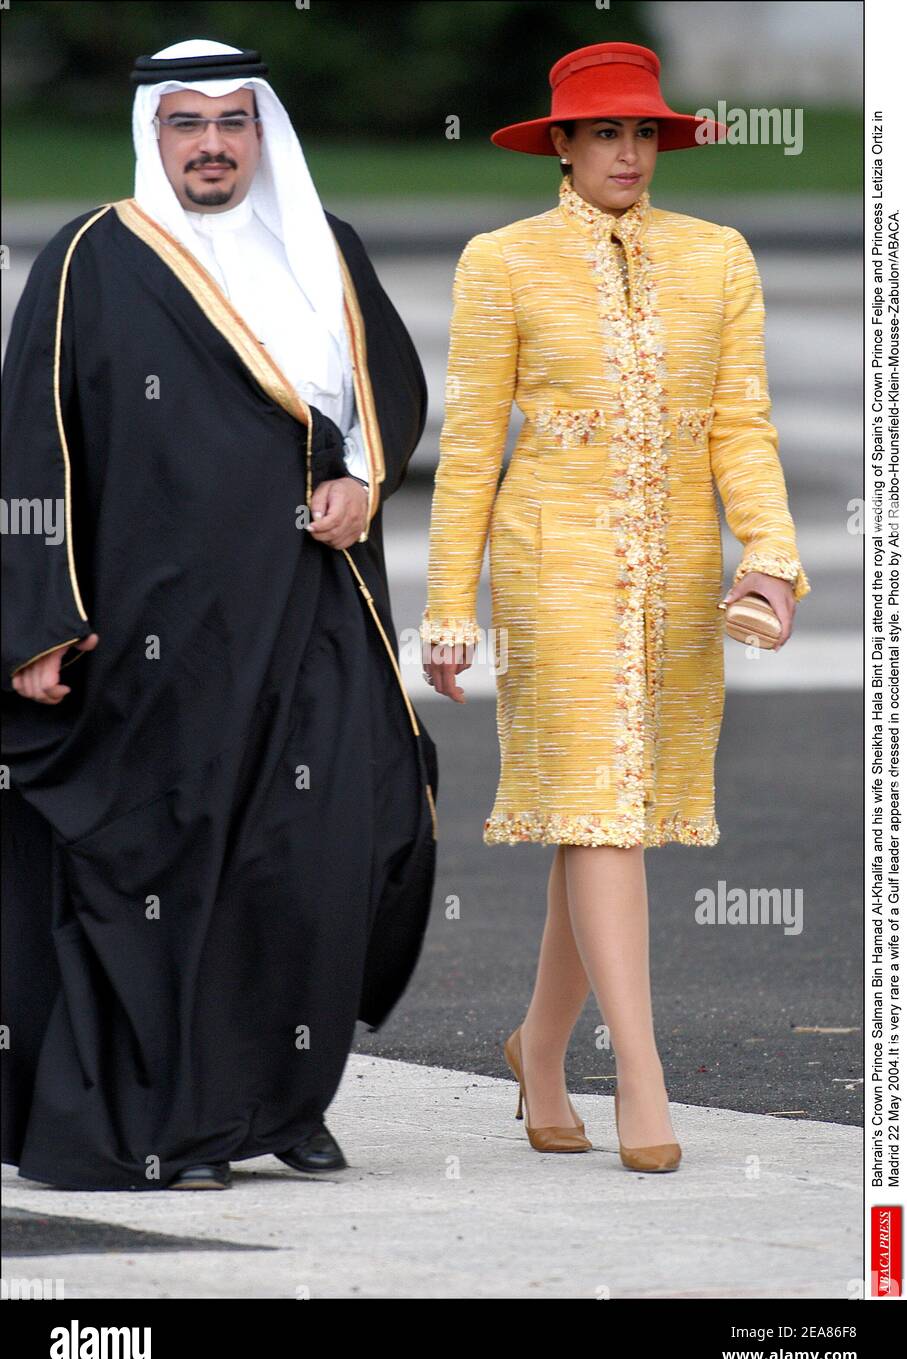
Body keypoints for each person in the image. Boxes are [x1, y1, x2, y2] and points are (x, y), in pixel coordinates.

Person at [1, 39, 438, 1191]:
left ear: (262, 134)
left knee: (325, 852)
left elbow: (386, 384)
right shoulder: (95, 257)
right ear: (154, 136)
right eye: (185, 123)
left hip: (318, 605)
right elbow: (30, 440)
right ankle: (182, 1114)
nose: (209, 143)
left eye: (231, 123)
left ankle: (284, 1099)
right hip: (161, 631)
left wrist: (364, 475)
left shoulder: (322, 247)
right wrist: (39, 619)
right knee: (172, 860)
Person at [420, 41, 809, 1172]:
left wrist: (772, 557)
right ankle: (641, 1071)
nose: (628, 152)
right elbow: (467, 454)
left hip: (682, 574)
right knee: (598, 810)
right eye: (604, 132)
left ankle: (538, 1049)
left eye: (643, 132)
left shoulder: (718, 257)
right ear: (561, 142)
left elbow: (743, 424)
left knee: (610, 817)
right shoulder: (501, 261)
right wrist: (451, 607)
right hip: (551, 570)